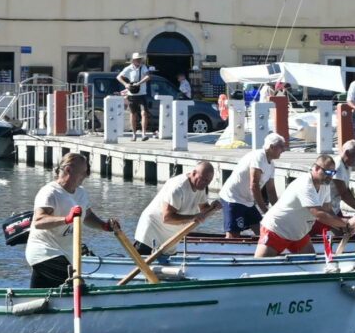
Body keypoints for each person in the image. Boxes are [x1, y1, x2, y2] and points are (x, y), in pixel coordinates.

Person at [25, 150, 124, 289]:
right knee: (77, 285)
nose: (86, 176)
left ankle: (35, 308)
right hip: (45, 252)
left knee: (41, 294)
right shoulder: (49, 192)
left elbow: (87, 216)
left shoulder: (81, 193)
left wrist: (104, 226)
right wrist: (67, 219)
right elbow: (39, 221)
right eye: (83, 172)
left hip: (66, 254)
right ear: (68, 170)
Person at [135, 161, 220, 257]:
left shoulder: (201, 186)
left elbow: (204, 209)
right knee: (143, 269)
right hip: (151, 233)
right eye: (203, 179)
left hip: (170, 239)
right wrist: (193, 217)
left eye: (208, 181)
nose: (205, 184)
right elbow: (167, 218)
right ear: (194, 173)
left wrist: (213, 207)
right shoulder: (178, 188)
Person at [221, 134, 286, 236]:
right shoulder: (259, 157)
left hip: (248, 201)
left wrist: (279, 210)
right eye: (281, 146)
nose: (284, 150)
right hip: (233, 198)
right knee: (233, 234)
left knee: (262, 232)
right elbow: (254, 185)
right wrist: (265, 210)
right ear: (271, 147)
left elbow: (271, 190)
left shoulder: (271, 165)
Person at [117, 52, 153, 136]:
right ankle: (134, 134)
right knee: (133, 114)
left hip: (142, 94)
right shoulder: (128, 68)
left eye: (140, 59)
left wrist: (139, 83)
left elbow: (148, 76)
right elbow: (118, 77)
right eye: (137, 59)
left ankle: (144, 133)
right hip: (132, 95)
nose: (139, 61)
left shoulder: (143, 67)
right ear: (133, 61)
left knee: (144, 113)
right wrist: (125, 84)